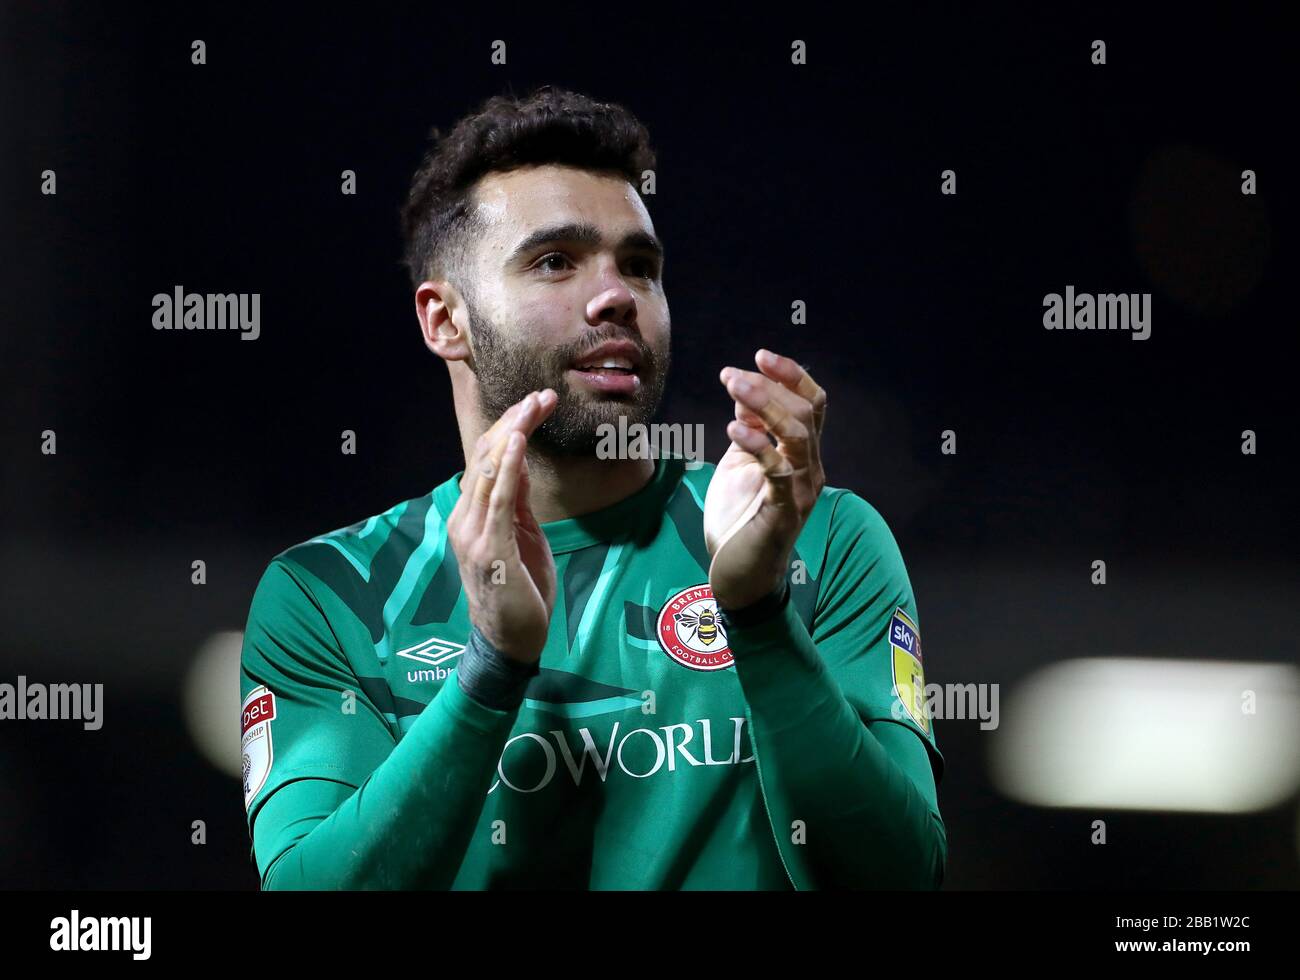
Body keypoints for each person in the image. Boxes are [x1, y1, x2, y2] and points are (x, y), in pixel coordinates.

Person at [239, 85, 946, 889]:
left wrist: (758, 613)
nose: (617, 296)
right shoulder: (331, 595)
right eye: (555, 262)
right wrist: (491, 670)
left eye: (640, 267)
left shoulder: (820, 537)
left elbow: (900, 877)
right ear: (444, 320)